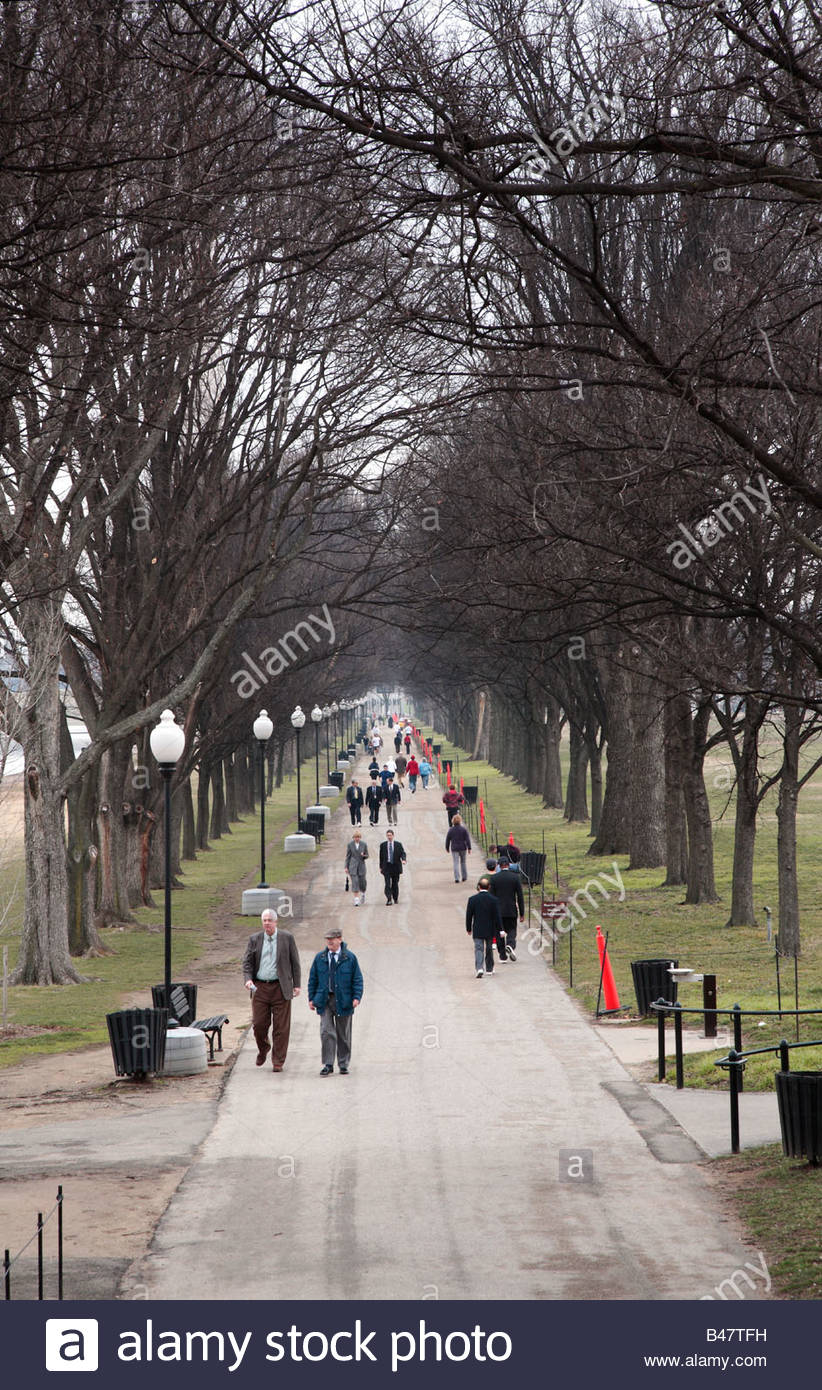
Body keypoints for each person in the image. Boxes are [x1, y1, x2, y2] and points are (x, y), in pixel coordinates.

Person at [242, 909, 301, 1070]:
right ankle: (264, 1048)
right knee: (259, 1024)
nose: (267, 923)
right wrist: (248, 979)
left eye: (269, 920)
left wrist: (297, 984)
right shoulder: (254, 939)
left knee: (281, 1027)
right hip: (260, 987)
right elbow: (247, 963)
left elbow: (295, 962)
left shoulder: (286, 938)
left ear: (276, 922)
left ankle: (278, 1061)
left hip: (281, 987)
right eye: (264, 920)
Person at [308, 927, 363, 1075]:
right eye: (327, 940)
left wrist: (356, 997)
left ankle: (343, 1063)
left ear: (340, 939)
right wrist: (311, 998)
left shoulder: (350, 958)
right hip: (324, 999)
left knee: (343, 1033)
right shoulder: (320, 958)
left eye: (332, 940)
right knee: (326, 1031)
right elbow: (313, 979)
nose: (329, 942)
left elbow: (357, 979)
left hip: (344, 1000)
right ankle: (328, 1063)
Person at [489, 853, 525, 960]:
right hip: (511, 909)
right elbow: (520, 896)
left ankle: (502, 955)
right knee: (512, 929)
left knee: (499, 931)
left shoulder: (494, 878)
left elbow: (491, 896)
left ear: (499, 865)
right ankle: (510, 944)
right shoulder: (515, 878)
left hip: (498, 910)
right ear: (509, 865)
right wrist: (522, 913)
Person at [465, 878, 503, 978]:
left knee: (479, 948)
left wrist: (468, 928)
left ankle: (479, 968)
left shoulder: (472, 899)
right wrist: (501, 929)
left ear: (478, 887)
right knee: (489, 948)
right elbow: (497, 916)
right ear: (489, 887)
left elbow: (469, 915)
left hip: (477, 928)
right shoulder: (494, 900)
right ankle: (489, 968)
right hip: (490, 928)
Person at [379, 828, 406, 905]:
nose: (389, 837)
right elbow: (381, 857)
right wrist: (380, 867)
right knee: (387, 884)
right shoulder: (383, 845)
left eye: (390, 835)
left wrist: (403, 860)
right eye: (387, 835)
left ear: (393, 836)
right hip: (387, 867)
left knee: (395, 883)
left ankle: (395, 897)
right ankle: (389, 899)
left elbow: (402, 853)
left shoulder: (398, 844)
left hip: (395, 867)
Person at [344, 829, 369, 905]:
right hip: (353, 866)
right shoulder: (350, 845)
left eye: (358, 837)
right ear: (353, 837)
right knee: (355, 882)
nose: (356, 838)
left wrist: (363, 855)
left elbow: (367, 855)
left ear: (360, 837)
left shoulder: (364, 844)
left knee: (362, 882)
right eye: (355, 837)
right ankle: (356, 899)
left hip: (361, 865)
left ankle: (363, 893)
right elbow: (348, 856)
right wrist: (346, 867)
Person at [445, 813, 472, 882]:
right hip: (463, 847)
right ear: (460, 821)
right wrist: (469, 848)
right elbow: (467, 839)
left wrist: (447, 848)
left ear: (453, 821)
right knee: (463, 862)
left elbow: (448, 839)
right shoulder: (463, 829)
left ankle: (457, 878)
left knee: (455, 863)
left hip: (454, 848)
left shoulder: (451, 830)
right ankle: (464, 877)